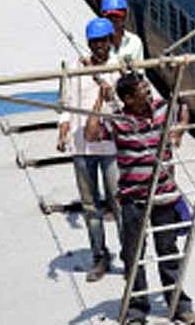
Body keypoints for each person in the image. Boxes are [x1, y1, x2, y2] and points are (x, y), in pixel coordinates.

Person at [85, 73, 195, 325]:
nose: (149, 94)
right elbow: (91, 135)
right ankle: (137, 308)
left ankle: (178, 303)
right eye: (143, 91)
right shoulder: (119, 121)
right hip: (134, 200)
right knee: (133, 254)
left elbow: (183, 111)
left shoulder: (160, 109)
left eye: (148, 89)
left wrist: (180, 128)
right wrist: (99, 102)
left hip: (164, 197)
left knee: (168, 251)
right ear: (128, 98)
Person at [58, 17, 123, 282]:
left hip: (109, 146)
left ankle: (129, 255)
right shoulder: (75, 68)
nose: (99, 47)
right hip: (81, 146)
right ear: (89, 43)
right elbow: (66, 103)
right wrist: (63, 129)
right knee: (90, 205)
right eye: (95, 42)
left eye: (104, 42)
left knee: (117, 201)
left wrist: (113, 97)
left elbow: (125, 108)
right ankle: (99, 255)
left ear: (110, 42)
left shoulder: (120, 69)